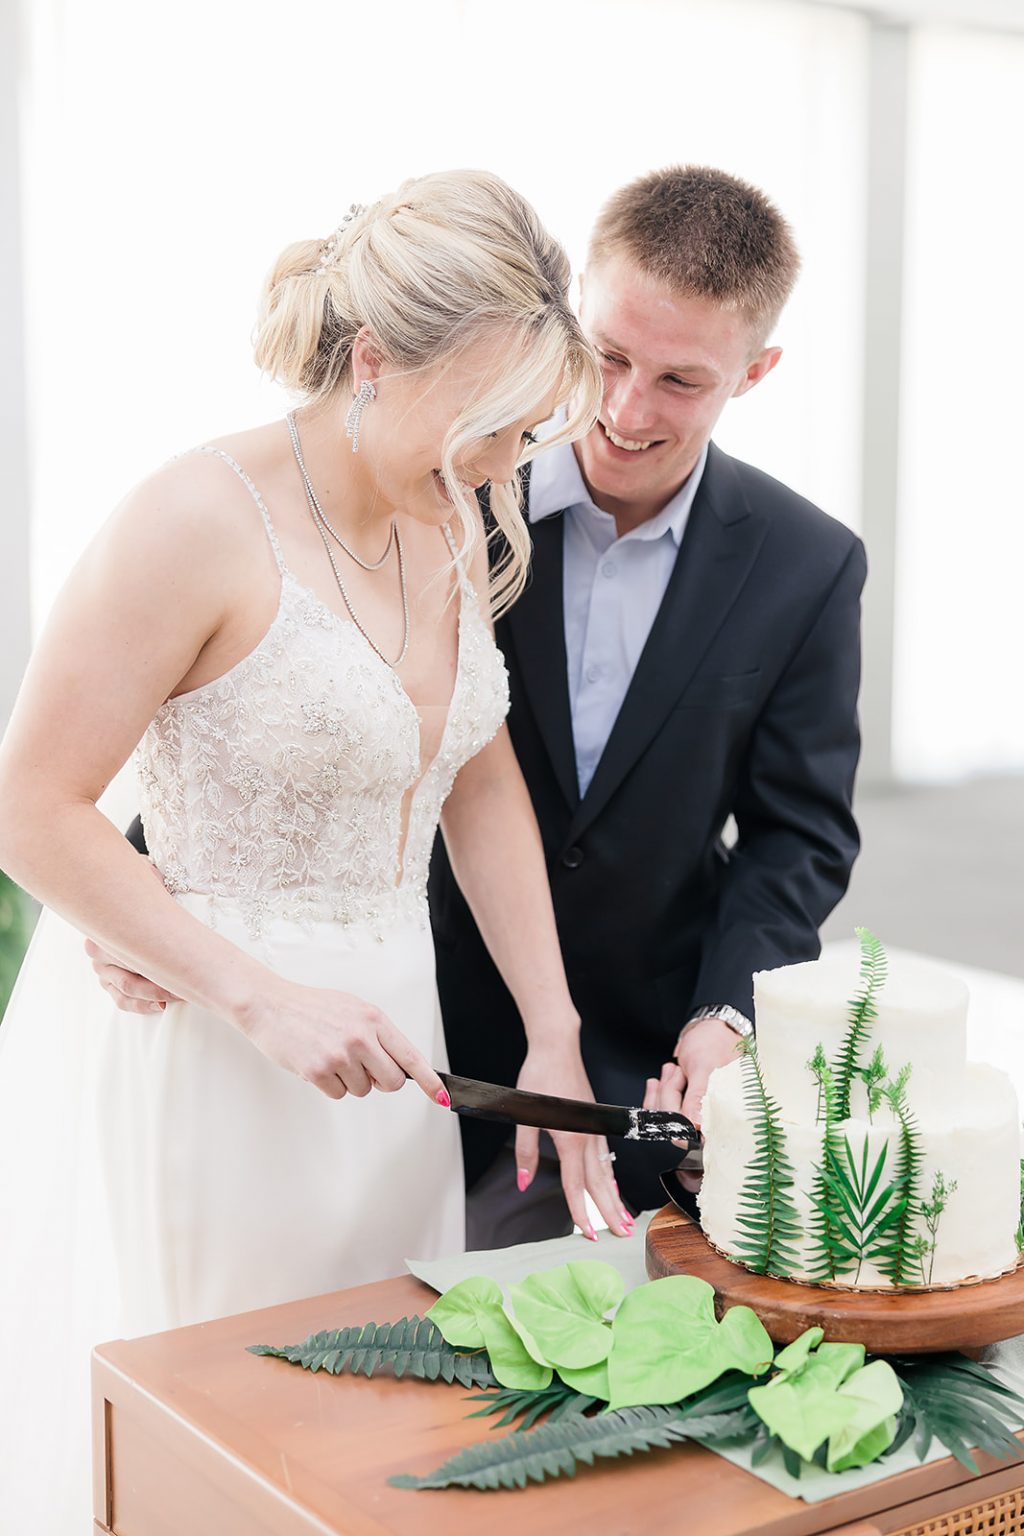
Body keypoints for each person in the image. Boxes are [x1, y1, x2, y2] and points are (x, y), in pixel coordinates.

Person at [0, 168, 632, 1534]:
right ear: (370, 359)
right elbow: (31, 805)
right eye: (485, 426)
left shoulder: (454, 509)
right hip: (218, 1047)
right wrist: (256, 995)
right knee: (219, 1449)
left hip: (392, 1048)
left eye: (523, 432)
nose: (506, 463)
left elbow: (473, 774)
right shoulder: (192, 517)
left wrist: (550, 1026)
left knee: (377, 1442)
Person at [430, 165, 866, 1241]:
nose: (624, 411)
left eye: (680, 380)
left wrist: (725, 1017)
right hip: (412, 1017)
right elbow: (308, 695)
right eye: (609, 356)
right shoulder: (450, 496)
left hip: (643, 1064)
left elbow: (795, 836)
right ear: (573, 313)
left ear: (754, 372)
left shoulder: (808, 565)